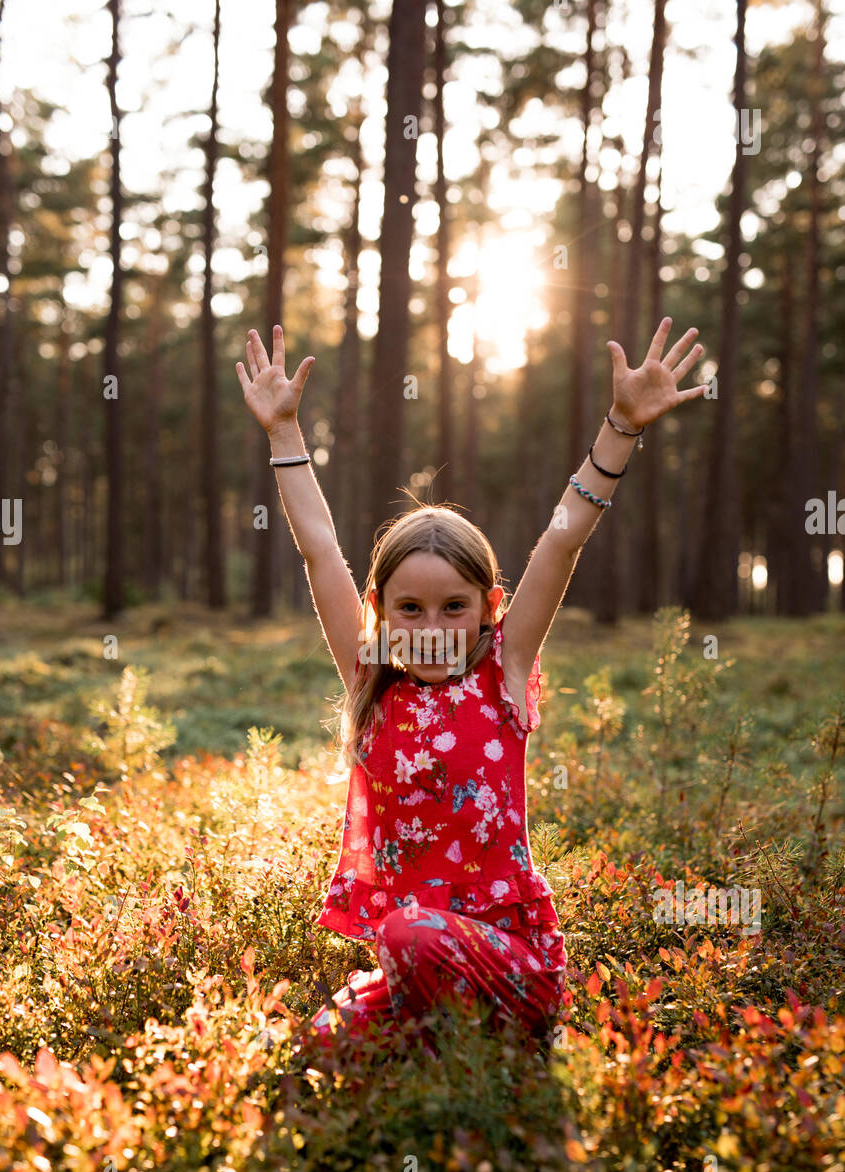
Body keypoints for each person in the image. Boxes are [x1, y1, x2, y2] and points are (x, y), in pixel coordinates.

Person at [235, 318, 706, 1065]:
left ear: (489, 607)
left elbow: (561, 538)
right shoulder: (369, 675)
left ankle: (502, 1052)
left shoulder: (504, 669)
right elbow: (319, 546)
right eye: (408, 608)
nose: (430, 627)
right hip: (418, 961)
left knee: (403, 935)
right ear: (380, 610)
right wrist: (286, 433)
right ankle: (441, 1056)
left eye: (454, 607)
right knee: (309, 1058)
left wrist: (620, 428)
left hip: (514, 967)